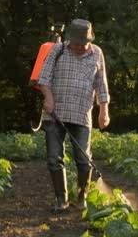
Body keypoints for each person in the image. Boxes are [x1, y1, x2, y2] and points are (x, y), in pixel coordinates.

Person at [37, 19, 110, 212]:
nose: (79, 46)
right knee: (54, 158)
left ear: (89, 40)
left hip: (82, 114)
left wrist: (104, 111)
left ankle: (81, 197)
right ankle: (61, 200)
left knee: (83, 160)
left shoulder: (97, 53)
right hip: (55, 114)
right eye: (76, 42)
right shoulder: (58, 50)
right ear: (70, 39)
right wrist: (48, 98)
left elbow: (101, 84)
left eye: (82, 43)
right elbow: (43, 77)